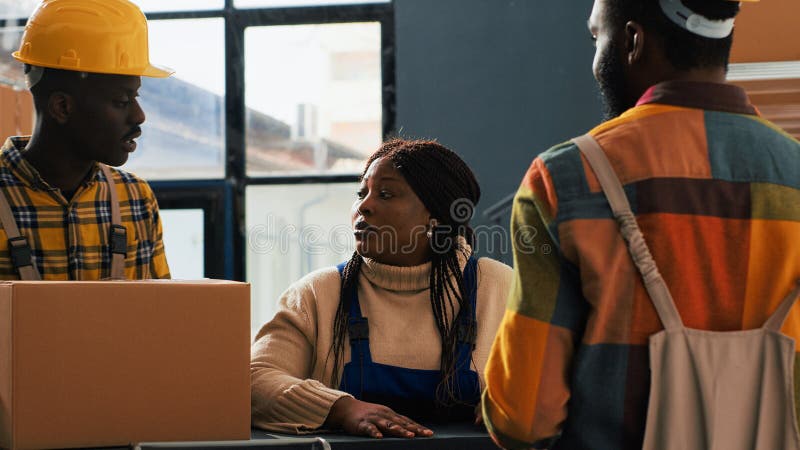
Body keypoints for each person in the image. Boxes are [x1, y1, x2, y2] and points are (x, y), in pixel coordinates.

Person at [482, 0, 800, 449]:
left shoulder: (567, 178)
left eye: (598, 37)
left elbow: (524, 417)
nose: (595, 57)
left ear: (632, 41)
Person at [251, 139, 512, 438]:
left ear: (435, 217)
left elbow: (552, 382)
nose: (364, 206)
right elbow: (254, 381)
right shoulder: (318, 294)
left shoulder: (499, 287)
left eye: (386, 194)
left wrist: (511, 398)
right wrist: (340, 408)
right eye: (361, 193)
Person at [2, 0, 173, 280]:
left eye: (136, 97)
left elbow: (160, 318)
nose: (139, 116)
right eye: (122, 100)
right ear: (62, 107)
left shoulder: (136, 200)